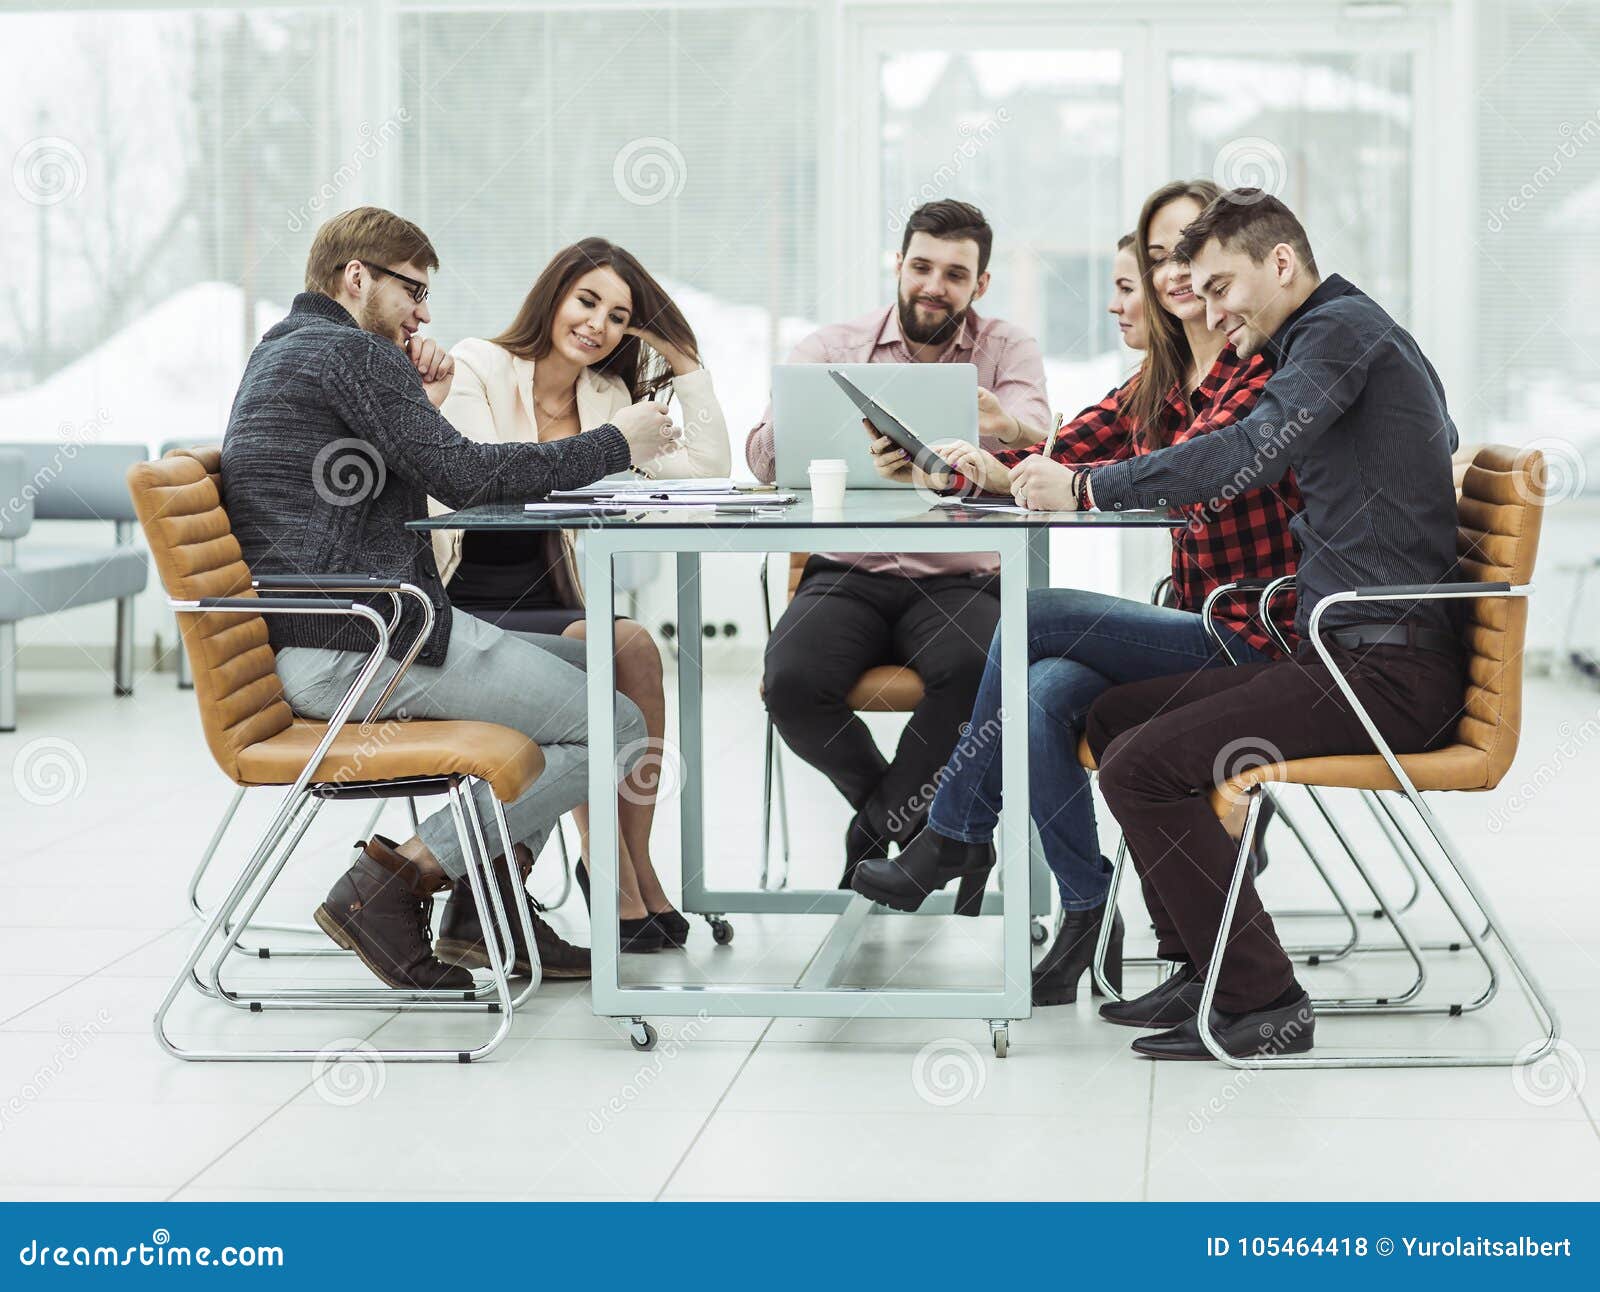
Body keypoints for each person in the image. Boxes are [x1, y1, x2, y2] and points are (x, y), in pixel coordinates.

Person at [851, 182, 1303, 1011]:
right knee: (1041, 690)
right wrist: (966, 470)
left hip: (1253, 637)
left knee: (1033, 617)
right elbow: (1065, 449)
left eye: (1186, 256)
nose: (1173, 273)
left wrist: (1067, 478)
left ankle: (952, 835)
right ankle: (1086, 912)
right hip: (1196, 624)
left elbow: (1176, 472)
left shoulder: (1257, 372)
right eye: (1158, 258)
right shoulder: (1163, 379)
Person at [221, 207, 679, 990]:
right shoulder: (353, 353)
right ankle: (394, 881)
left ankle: (479, 904)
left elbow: (360, 483)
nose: (424, 314)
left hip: (336, 637)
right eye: (413, 291)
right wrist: (616, 443)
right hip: (361, 649)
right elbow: (468, 477)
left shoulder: (286, 350)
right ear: (356, 277)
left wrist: (421, 405)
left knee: (598, 667)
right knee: (617, 726)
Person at [1062, 191, 1464, 1060]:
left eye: (1220, 288)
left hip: (1384, 671)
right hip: (1345, 654)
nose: (1209, 314)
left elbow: (1249, 452)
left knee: (1140, 766)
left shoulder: (1340, 331)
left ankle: (1264, 1002)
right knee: (1114, 716)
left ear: (1282, 264)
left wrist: (1091, 488)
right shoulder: (1337, 339)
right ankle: (1202, 966)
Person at [432, 238, 730, 952]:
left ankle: (628, 866)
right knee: (610, 657)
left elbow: (707, 470)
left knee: (635, 650)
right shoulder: (478, 365)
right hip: (464, 604)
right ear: (554, 296)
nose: (598, 325)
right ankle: (617, 877)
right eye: (587, 301)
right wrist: (609, 446)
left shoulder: (608, 397)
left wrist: (685, 363)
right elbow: (484, 478)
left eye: (619, 317)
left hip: (554, 598)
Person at [746, 199, 1051, 885]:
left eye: (955, 274)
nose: (933, 286)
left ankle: (873, 828)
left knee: (977, 672)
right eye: (921, 267)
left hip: (962, 578)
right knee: (791, 684)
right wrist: (810, 422)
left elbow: (1045, 446)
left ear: (981, 284)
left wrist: (1000, 428)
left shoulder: (1007, 349)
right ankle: (917, 828)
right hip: (848, 570)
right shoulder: (834, 348)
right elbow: (763, 463)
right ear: (899, 265)